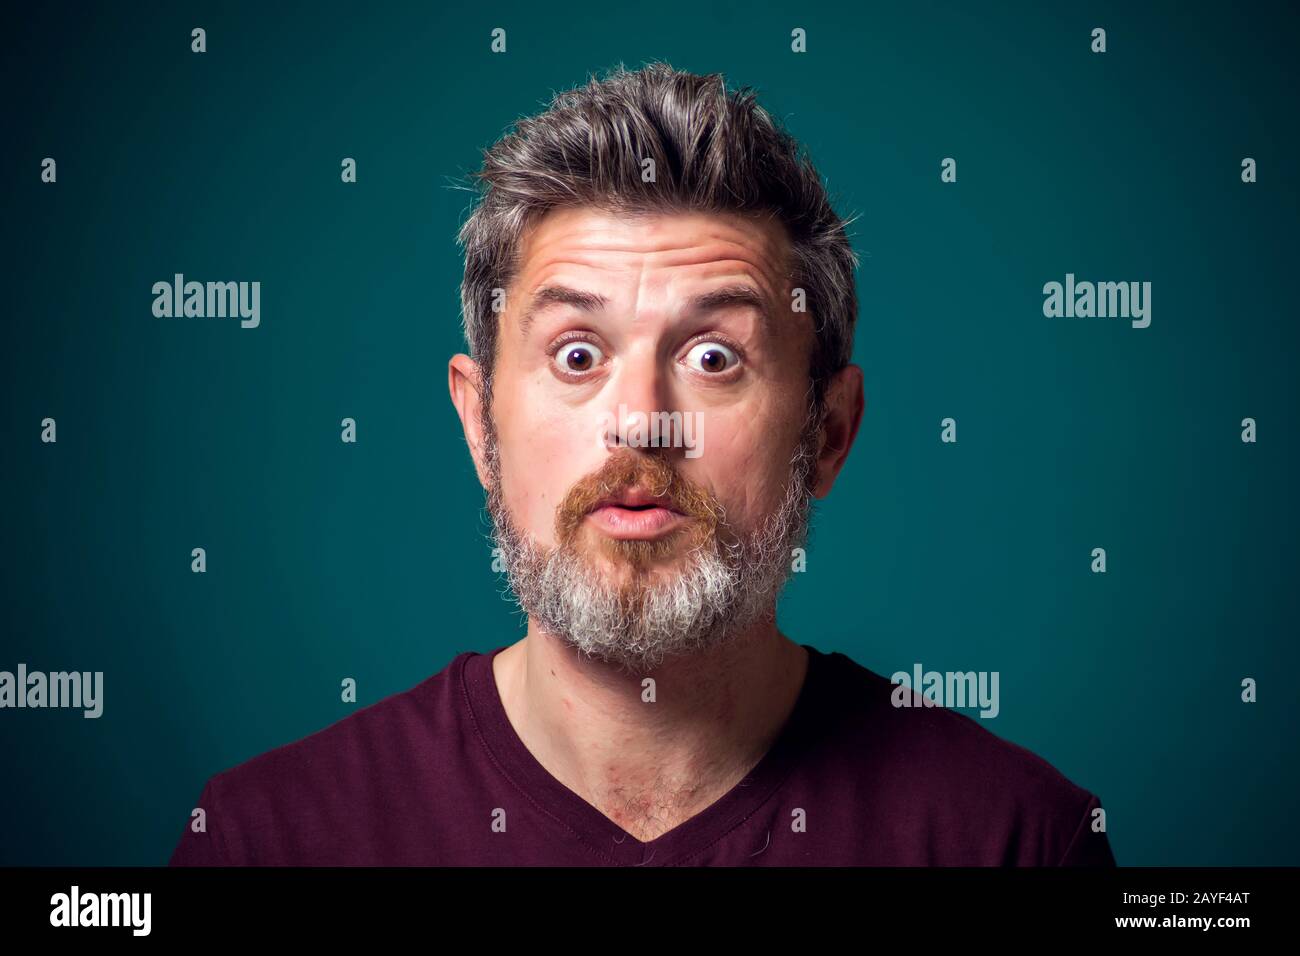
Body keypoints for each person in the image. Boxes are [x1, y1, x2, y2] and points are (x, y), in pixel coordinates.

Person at [169, 62, 1115, 866]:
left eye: (714, 357)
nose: (641, 425)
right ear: (479, 426)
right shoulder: (268, 841)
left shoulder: (1017, 842)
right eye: (577, 354)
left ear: (826, 434)